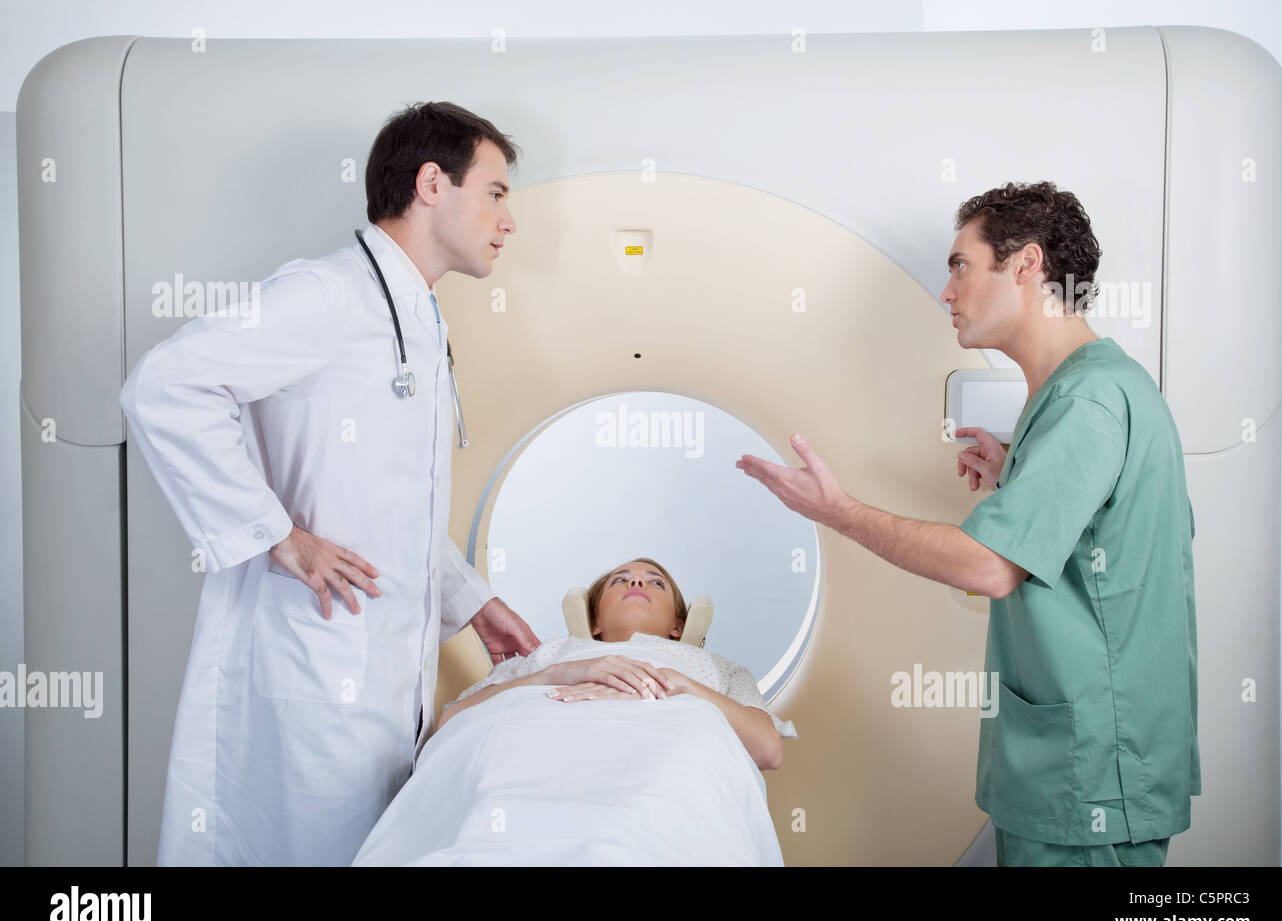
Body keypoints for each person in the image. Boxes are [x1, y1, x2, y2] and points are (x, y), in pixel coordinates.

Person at [119, 101, 541, 865]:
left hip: (380, 671)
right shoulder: (327, 294)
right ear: (431, 184)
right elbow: (164, 385)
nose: (508, 222)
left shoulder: (421, 318)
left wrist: (474, 603)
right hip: (313, 657)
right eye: (497, 193)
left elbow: (391, 502)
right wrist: (280, 538)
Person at [736, 182, 1198, 867]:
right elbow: (1097, 534)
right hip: (1070, 763)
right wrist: (1020, 472)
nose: (947, 292)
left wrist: (838, 512)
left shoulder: (1089, 401)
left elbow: (988, 566)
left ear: (1026, 265)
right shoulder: (1082, 393)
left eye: (959, 266)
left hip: (1093, 774)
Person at [436, 559, 794, 771]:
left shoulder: (716, 669)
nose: (636, 581)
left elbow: (768, 750)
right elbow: (450, 723)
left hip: (666, 771)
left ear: (678, 626)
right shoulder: (549, 653)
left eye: (657, 582)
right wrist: (556, 674)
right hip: (533, 759)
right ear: (594, 623)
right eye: (619, 580)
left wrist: (681, 684)